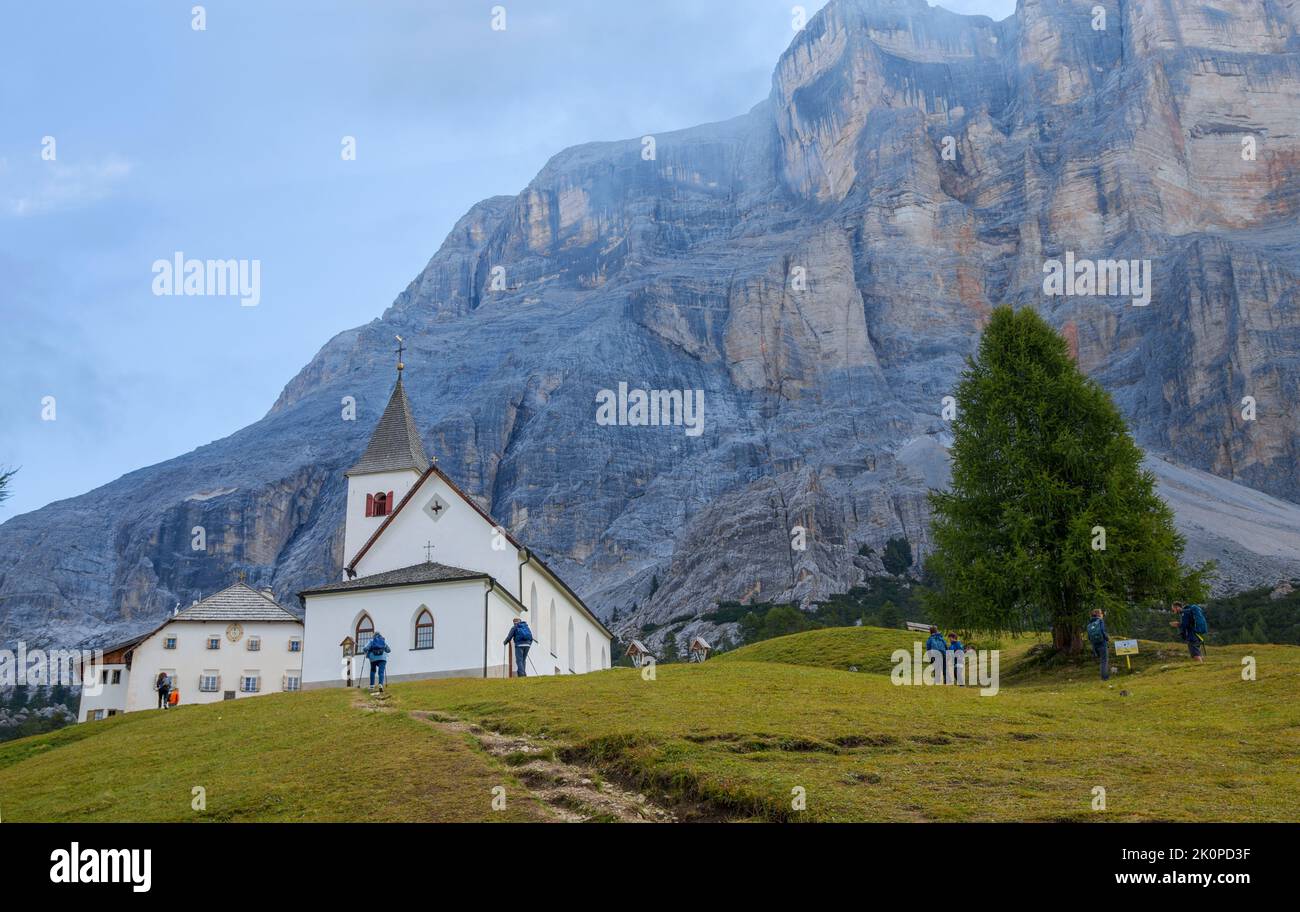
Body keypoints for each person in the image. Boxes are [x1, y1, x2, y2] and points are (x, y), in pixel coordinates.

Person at [1085, 608, 1110, 681]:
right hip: (1102, 643)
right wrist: (1107, 638)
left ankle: (1104, 676)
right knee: (1104, 661)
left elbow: (1089, 637)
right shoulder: (1100, 621)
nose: (1102, 615)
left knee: (1101, 661)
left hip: (1095, 645)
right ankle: (1104, 678)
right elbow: (1102, 631)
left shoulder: (1089, 624)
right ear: (1099, 614)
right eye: (1101, 613)